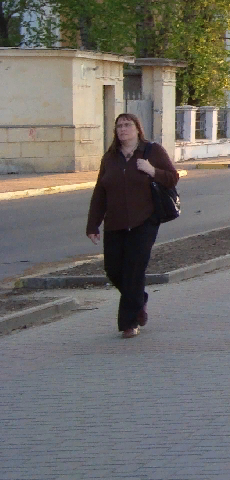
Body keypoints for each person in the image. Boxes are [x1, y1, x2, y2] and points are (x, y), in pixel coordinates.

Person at [85, 113, 180, 338]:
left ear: (138, 129)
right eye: (119, 126)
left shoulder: (152, 151)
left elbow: (172, 178)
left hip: (144, 221)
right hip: (115, 222)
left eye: (128, 125)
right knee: (113, 269)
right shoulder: (110, 158)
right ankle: (139, 300)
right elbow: (100, 192)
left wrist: (152, 170)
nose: (123, 129)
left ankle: (129, 324)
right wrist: (92, 225)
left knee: (134, 270)